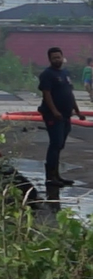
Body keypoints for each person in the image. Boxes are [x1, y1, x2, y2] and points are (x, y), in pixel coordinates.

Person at [38, 47, 86, 186]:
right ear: (50, 59)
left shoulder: (65, 73)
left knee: (60, 145)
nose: (57, 60)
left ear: (62, 57)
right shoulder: (47, 74)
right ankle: (50, 177)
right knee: (55, 144)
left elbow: (69, 93)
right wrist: (54, 111)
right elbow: (46, 94)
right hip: (53, 116)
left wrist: (78, 111)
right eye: (54, 58)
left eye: (59, 57)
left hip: (65, 115)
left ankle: (57, 175)